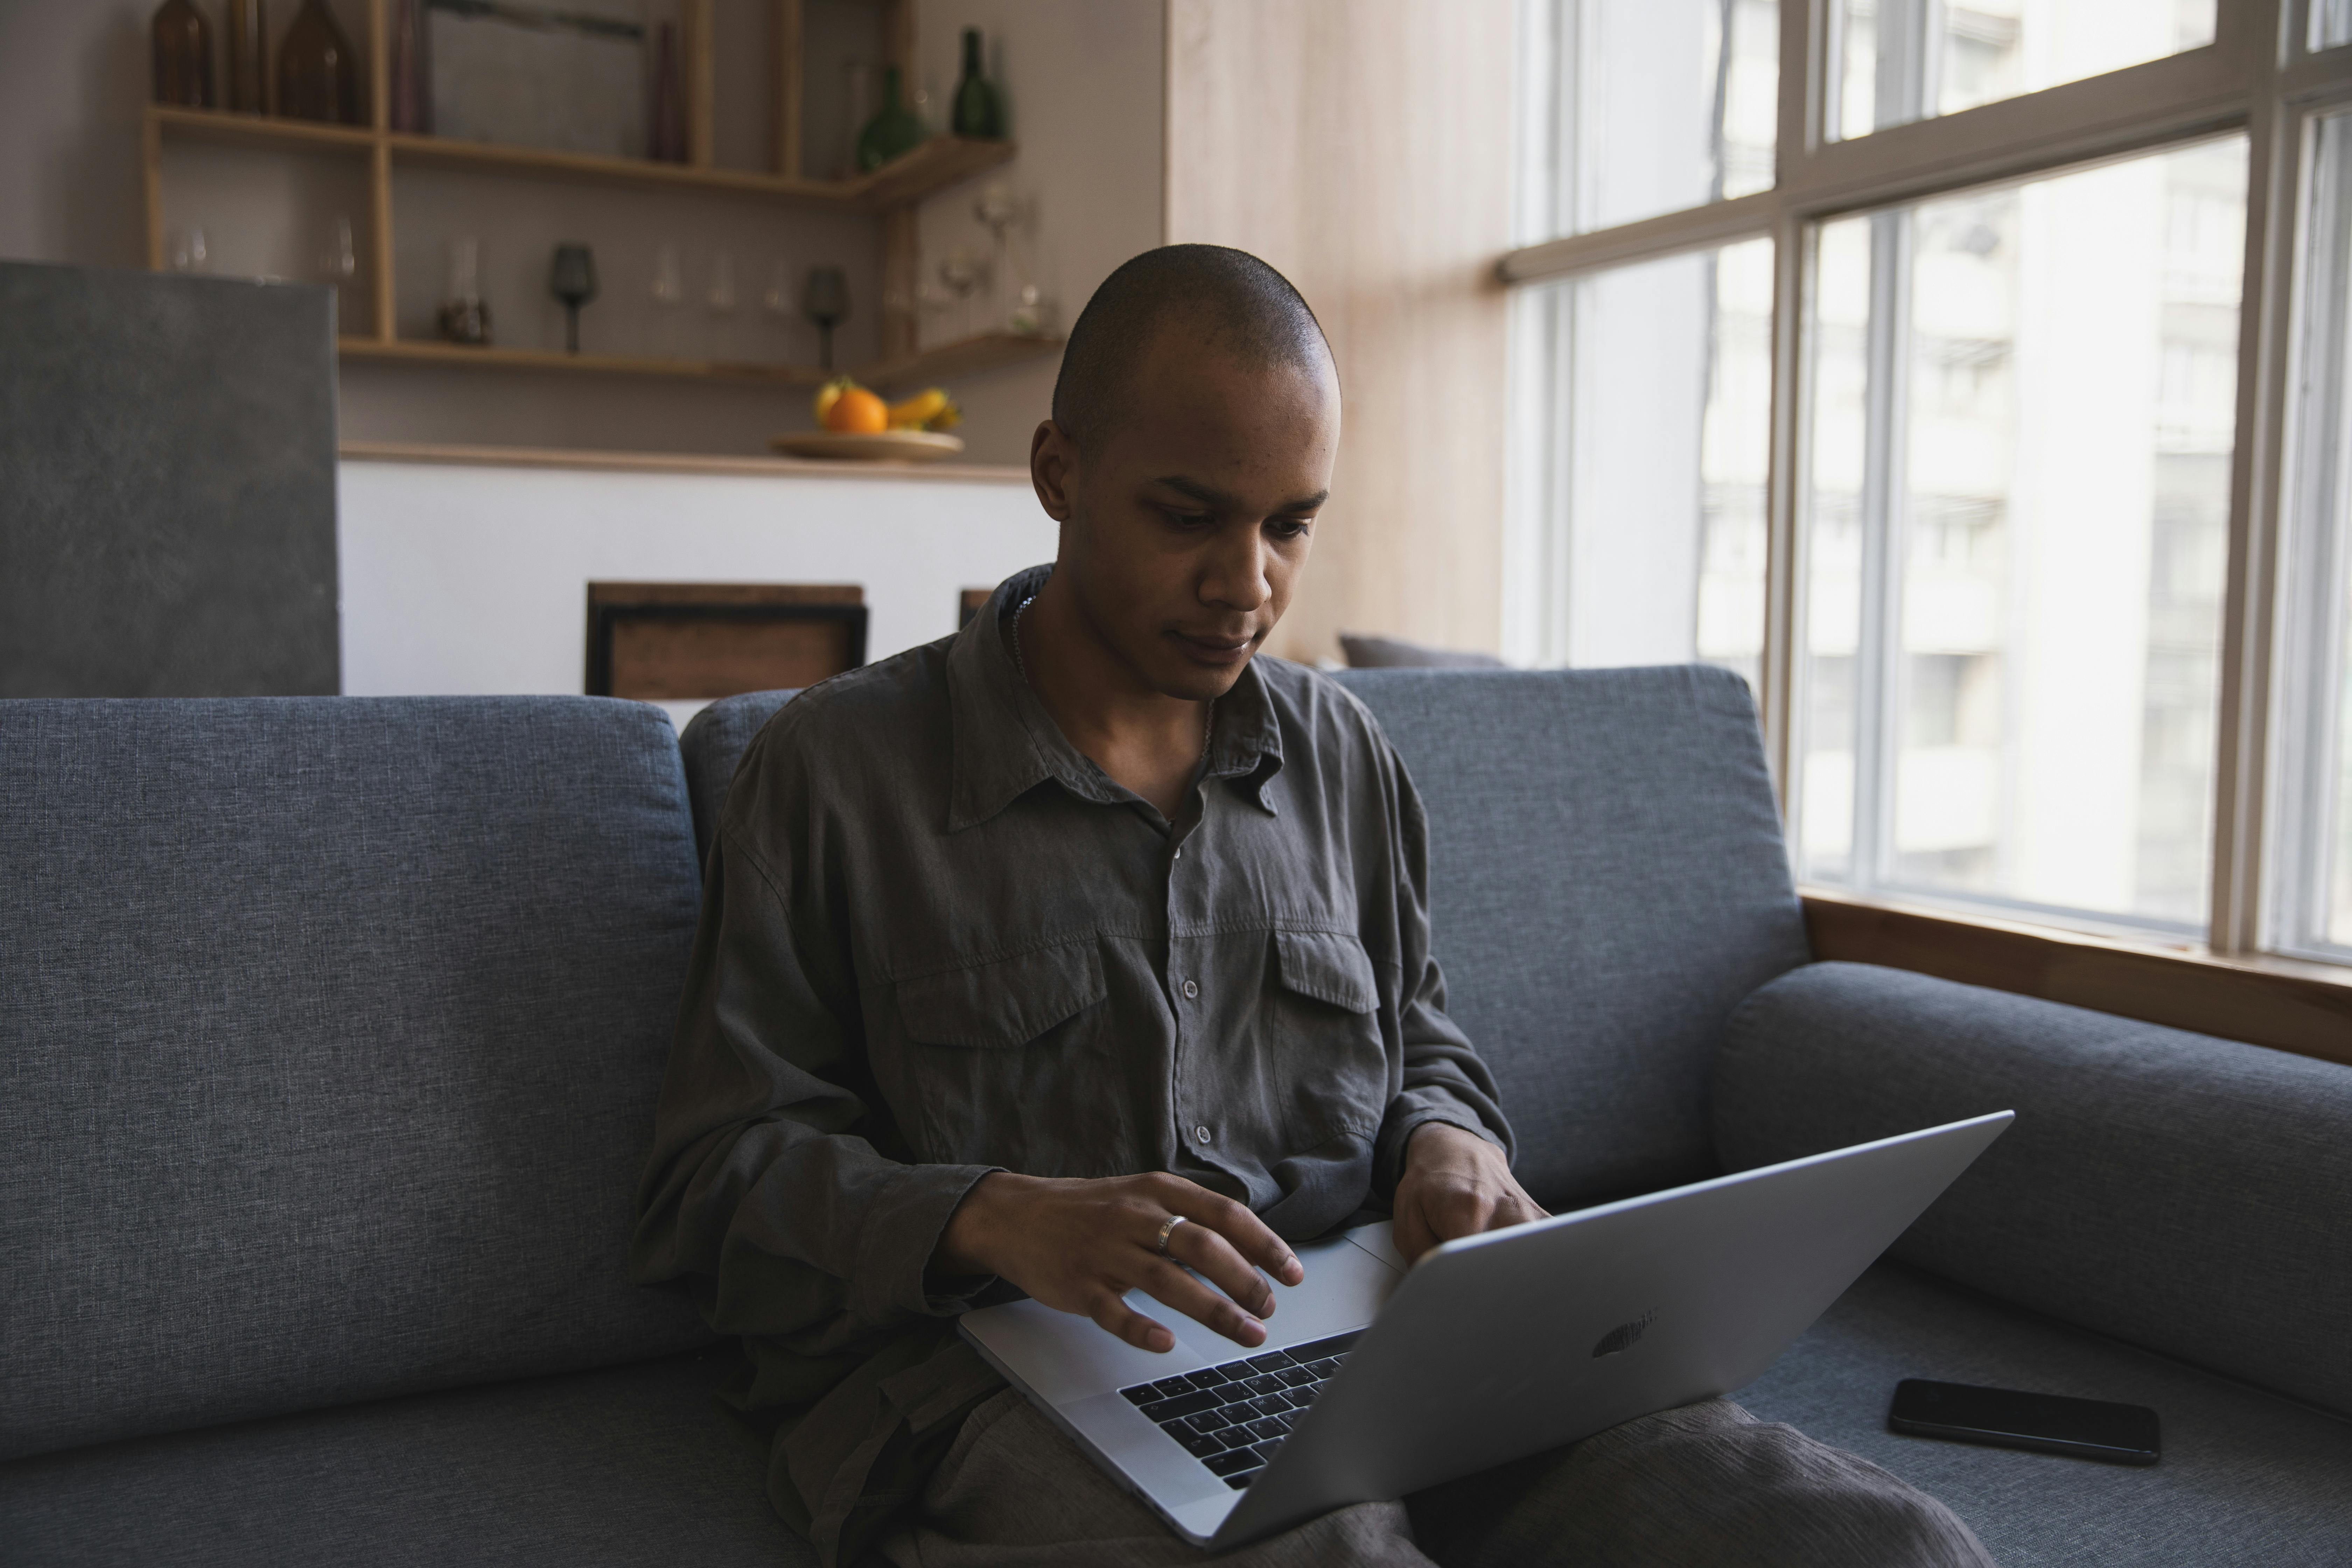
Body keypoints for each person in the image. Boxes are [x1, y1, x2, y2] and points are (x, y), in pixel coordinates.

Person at [630, 244, 1995, 1568]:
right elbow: (714, 1179)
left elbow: (1419, 1039)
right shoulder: (837, 769)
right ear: (1060, 473)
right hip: (993, 1380)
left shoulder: (1342, 752)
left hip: (1381, 1344)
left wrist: (1450, 1143)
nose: (1250, 585)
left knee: (1879, 1542)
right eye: (1189, 517)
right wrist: (995, 1216)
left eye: (1290, 525)